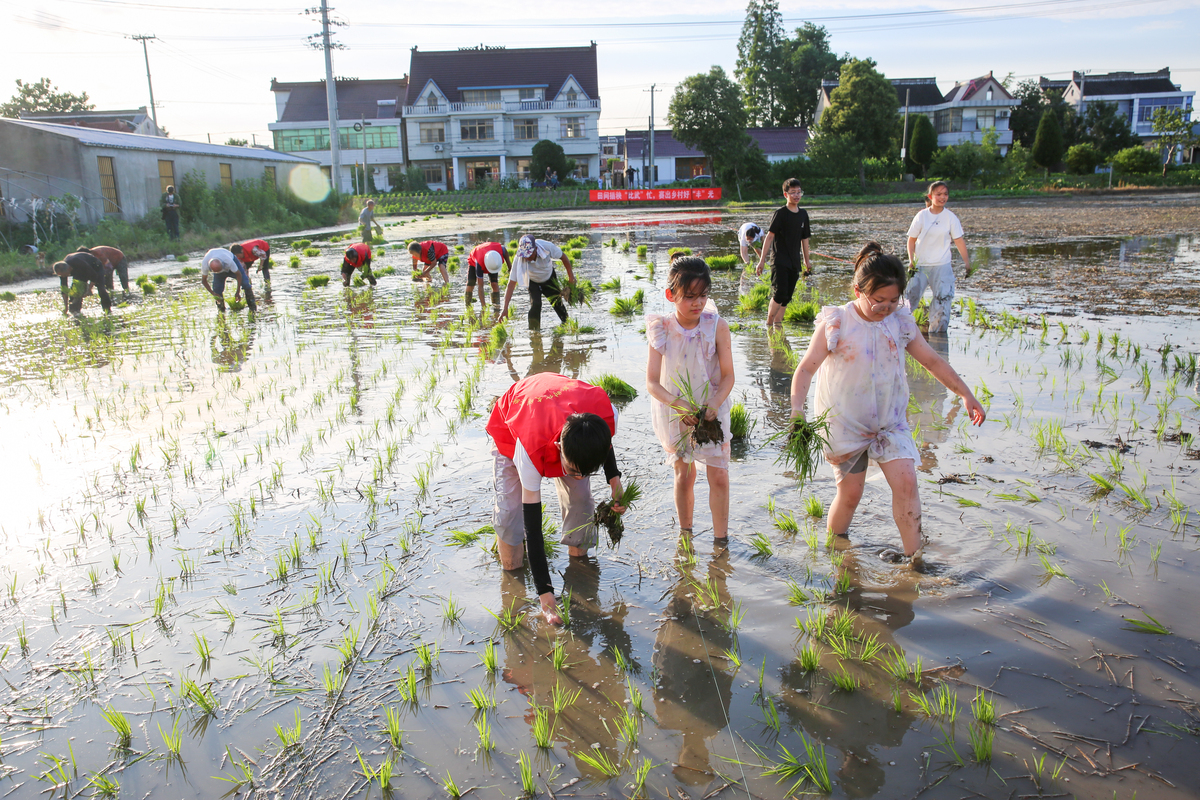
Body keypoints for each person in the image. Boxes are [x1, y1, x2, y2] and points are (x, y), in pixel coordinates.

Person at [788, 242, 985, 563]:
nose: (886, 307)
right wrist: (797, 412)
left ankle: (915, 561)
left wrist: (965, 393)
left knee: (907, 485)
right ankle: (837, 552)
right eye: (878, 300)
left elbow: (933, 362)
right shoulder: (836, 322)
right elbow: (805, 369)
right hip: (845, 424)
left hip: (890, 423)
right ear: (858, 290)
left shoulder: (901, 322)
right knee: (850, 495)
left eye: (894, 300)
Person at [485, 372, 625, 624]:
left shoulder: (605, 413)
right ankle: (512, 575)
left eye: (587, 471)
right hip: (515, 427)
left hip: (560, 412)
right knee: (510, 514)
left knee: (581, 501)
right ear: (560, 448)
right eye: (573, 470)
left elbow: (605, 445)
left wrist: (613, 478)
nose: (580, 476)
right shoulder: (531, 449)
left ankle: (580, 570)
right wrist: (545, 595)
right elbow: (534, 526)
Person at [645, 256, 735, 539]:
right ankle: (686, 536)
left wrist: (715, 403)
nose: (698, 303)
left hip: (712, 408)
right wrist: (678, 404)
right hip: (676, 411)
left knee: (719, 475)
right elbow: (651, 382)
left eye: (703, 295)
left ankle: (721, 540)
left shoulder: (716, 326)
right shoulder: (661, 329)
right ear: (671, 295)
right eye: (690, 296)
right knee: (684, 475)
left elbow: (728, 375)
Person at [906, 181, 971, 333]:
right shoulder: (922, 216)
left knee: (942, 303)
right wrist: (911, 260)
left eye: (945, 194)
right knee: (908, 300)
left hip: (942, 266)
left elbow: (959, 240)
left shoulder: (950, 218)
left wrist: (967, 263)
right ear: (930, 196)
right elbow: (911, 239)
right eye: (938, 194)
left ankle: (938, 341)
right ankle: (898, 332)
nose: (942, 197)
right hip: (920, 265)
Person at [755, 178, 812, 328]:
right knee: (780, 293)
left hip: (794, 261)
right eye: (792, 192)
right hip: (779, 260)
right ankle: (768, 323)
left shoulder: (803, 215)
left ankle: (777, 326)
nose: (796, 195)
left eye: (799, 192)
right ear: (785, 194)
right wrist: (762, 261)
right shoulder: (780, 213)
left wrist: (807, 261)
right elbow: (770, 236)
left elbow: (805, 239)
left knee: (787, 297)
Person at [498, 234, 576, 325]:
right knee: (536, 304)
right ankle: (534, 333)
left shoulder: (547, 247)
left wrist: (571, 277)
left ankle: (567, 324)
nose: (527, 257)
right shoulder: (519, 259)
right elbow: (511, 284)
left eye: (529, 254)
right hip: (532, 281)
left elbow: (563, 257)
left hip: (549, 277)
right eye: (525, 255)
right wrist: (505, 308)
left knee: (558, 304)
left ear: (535, 249)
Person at [53, 250, 111, 314]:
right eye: (61, 276)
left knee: (101, 289)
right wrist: (65, 307)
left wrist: (89, 289)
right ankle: (74, 311)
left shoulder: (78, 262)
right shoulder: (62, 271)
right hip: (80, 271)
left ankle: (107, 308)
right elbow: (64, 290)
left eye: (64, 275)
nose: (63, 277)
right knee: (76, 291)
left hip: (95, 267)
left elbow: (94, 275)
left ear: (69, 269)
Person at [201, 247, 256, 312]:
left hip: (231, 261)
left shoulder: (228, 261)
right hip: (218, 266)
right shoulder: (205, 264)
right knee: (217, 290)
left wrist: (237, 292)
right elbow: (204, 281)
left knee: (245, 283)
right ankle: (221, 311)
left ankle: (253, 308)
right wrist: (213, 293)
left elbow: (239, 275)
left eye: (220, 270)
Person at [466, 241, 510, 307]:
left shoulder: (498, 253)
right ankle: (467, 305)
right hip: (475, 259)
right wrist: (483, 306)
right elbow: (480, 286)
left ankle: (496, 306)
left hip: (491, 257)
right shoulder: (479, 263)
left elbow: (505, 251)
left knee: (494, 284)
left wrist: (510, 266)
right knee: (471, 284)